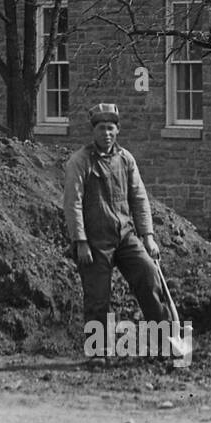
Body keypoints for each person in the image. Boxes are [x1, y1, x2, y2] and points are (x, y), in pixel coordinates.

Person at [63, 103, 171, 347]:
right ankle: (97, 352)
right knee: (98, 298)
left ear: (118, 130)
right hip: (94, 241)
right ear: (94, 131)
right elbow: (73, 203)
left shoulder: (125, 159)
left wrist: (148, 237)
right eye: (101, 128)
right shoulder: (80, 162)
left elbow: (139, 198)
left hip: (125, 236)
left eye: (111, 128)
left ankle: (164, 344)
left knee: (148, 276)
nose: (106, 133)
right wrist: (80, 241)